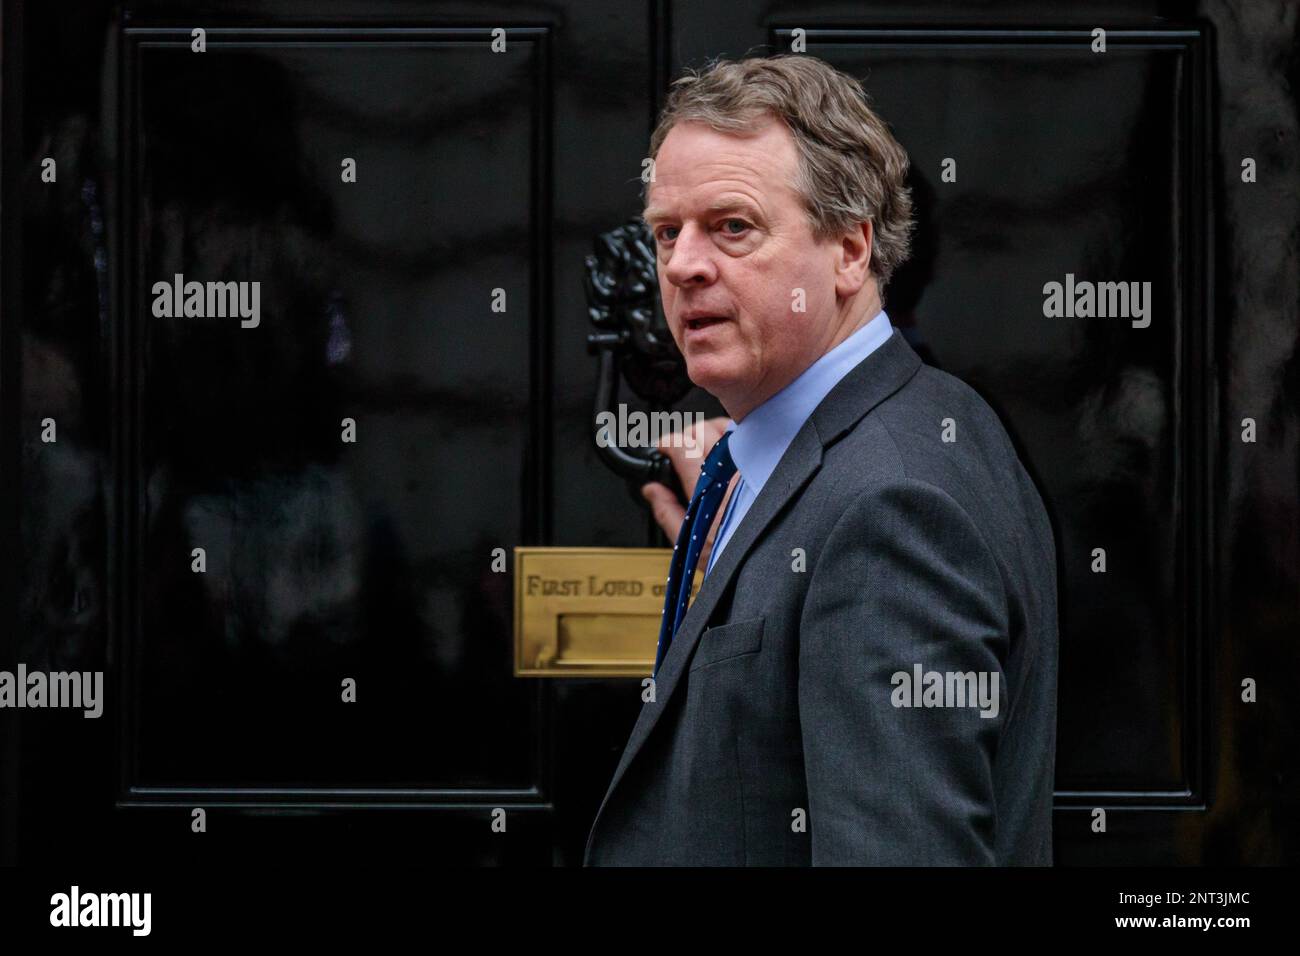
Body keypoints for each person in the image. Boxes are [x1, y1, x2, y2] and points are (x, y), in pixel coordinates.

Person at [584, 54, 1058, 865]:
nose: (683, 265)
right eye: (668, 231)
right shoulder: (914, 419)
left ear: (849, 250)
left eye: (733, 227)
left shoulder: (892, 508)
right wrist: (736, 552)